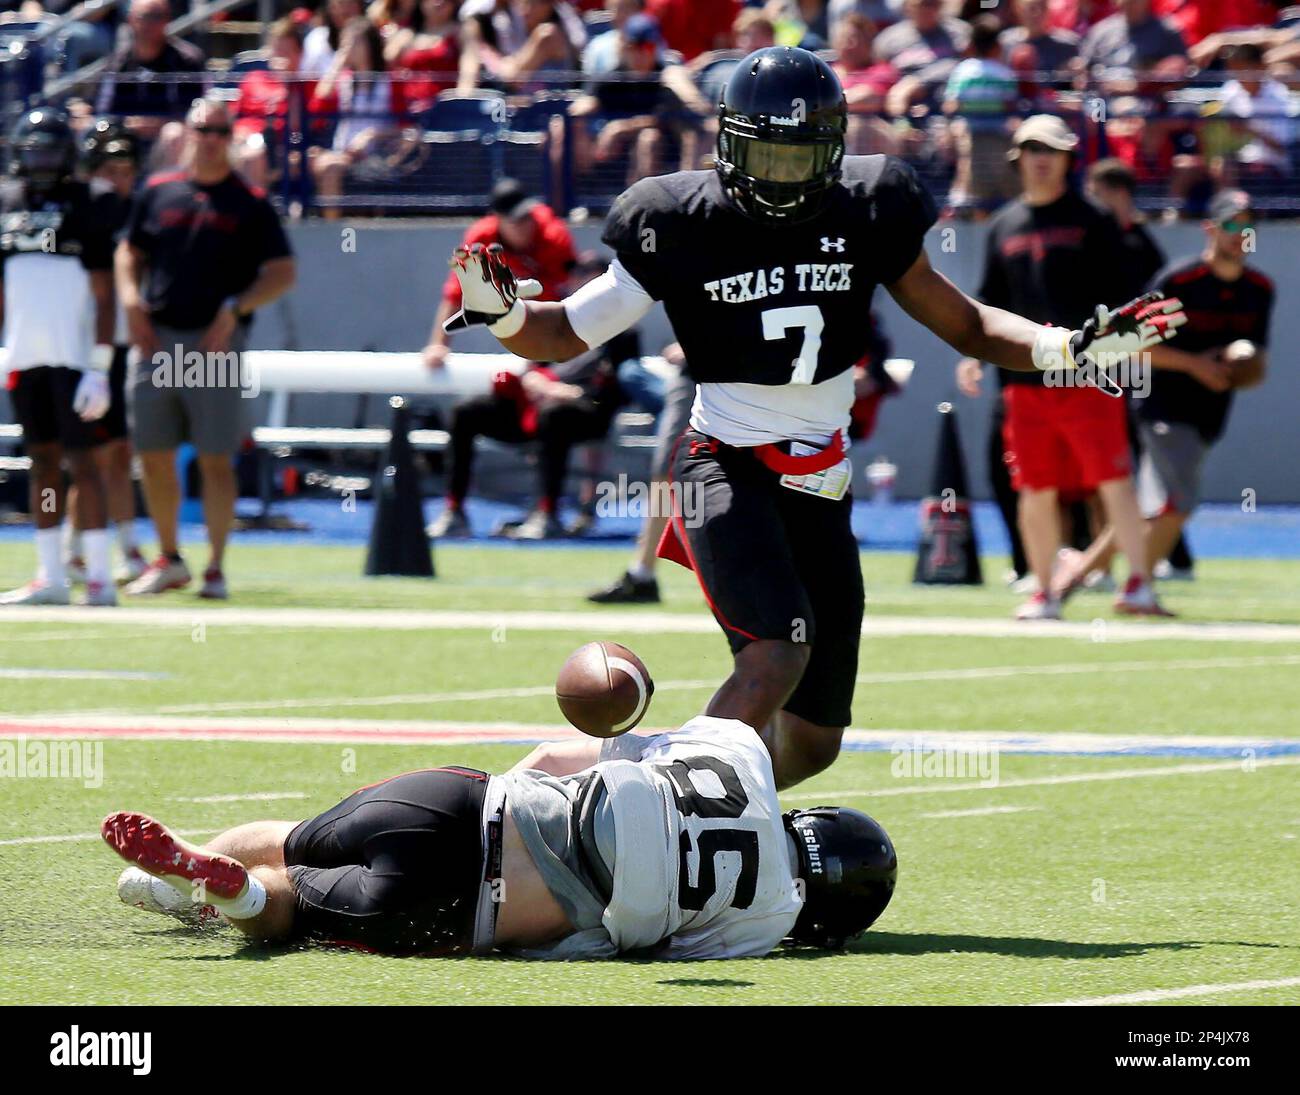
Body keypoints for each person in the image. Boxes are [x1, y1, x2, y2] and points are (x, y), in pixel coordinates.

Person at [438, 49, 1184, 787]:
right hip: (721, 461)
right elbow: (565, 329)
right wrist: (505, 315)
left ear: (833, 153)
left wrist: (1071, 346)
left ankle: (642, 789)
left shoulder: (872, 205)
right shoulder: (676, 218)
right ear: (729, 145)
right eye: (767, 157)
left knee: (817, 737)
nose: (781, 177)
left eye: (800, 159)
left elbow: (971, 326)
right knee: (775, 654)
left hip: (820, 477)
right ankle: (660, 815)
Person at [105, 711, 898, 958]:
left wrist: (509, 803)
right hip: (470, 904)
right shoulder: (758, 925)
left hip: (458, 802)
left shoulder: (742, 752)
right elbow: (637, 947)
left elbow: (562, 749)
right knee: (292, 908)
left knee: (296, 835)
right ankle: (227, 890)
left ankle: (180, 874)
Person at [955, 114, 1173, 621]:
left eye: (1050, 149)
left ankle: (1139, 585)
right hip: (1024, 382)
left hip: (1088, 379)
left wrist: (1124, 347)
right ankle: (1045, 591)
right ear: (1018, 159)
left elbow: (1126, 297)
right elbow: (991, 302)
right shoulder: (1004, 224)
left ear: (1068, 159)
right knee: (1035, 487)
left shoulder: (1093, 219)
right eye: (1032, 149)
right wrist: (971, 353)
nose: (1041, 158)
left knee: (1112, 480)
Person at [115, 98, 296, 601]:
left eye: (220, 130)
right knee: (152, 454)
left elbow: (282, 272)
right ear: (189, 133)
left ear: (231, 136)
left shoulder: (249, 202)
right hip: (156, 340)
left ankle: (216, 566)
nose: (211, 138)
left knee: (216, 457)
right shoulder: (157, 191)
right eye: (203, 129)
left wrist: (236, 308)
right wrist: (131, 300)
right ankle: (169, 557)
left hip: (212, 346)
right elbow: (129, 251)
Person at [427, 253, 641, 540]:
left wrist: (565, 393)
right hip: (538, 405)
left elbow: (617, 388)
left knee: (553, 416)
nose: (577, 278)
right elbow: (533, 364)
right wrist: (534, 381)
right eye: (575, 272)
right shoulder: (558, 315)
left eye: (586, 272)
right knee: (466, 411)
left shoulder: (623, 331)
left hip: (583, 411)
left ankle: (547, 514)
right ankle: (454, 511)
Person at [0, 109, 116, 607]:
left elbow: (105, 291)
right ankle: (50, 574)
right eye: (34, 150)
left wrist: (100, 365)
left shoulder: (89, 202)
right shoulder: (5, 200)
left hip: (73, 358)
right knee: (43, 465)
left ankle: (100, 577)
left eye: (50, 150)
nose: (41, 160)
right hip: (25, 356)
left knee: (84, 465)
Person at [1135, 191, 1271, 574]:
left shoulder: (1259, 289)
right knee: (1179, 502)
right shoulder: (1180, 281)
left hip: (1210, 412)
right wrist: (1194, 364)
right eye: (1231, 224)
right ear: (1209, 229)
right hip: (1163, 405)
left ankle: (1076, 576)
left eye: (1247, 225)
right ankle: (1137, 585)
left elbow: (1258, 359)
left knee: (1154, 508)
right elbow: (1132, 346)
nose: (1240, 233)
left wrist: (1243, 369)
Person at [64, 120, 150, 588]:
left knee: (112, 453)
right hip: (84, 347)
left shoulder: (135, 212)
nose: (119, 179)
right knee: (92, 454)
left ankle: (87, 550)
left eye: (126, 169)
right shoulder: (78, 212)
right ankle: (104, 550)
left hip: (117, 345)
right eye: (110, 168)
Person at [422, 177, 576, 372]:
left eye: (526, 217)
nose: (525, 225)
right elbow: (457, 292)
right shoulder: (481, 240)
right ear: (498, 219)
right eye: (516, 221)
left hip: (554, 325)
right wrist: (439, 344)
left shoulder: (553, 235)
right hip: (508, 325)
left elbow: (569, 293)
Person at [588, 340, 695, 603]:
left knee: (669, 470)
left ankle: (643, 573)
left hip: (713, 379)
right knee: (670, 472)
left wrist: (698, 345)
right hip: (729, 380)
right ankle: (643, 572)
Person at [94, 0, 207, 146]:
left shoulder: (188, 61)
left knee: (173, 134)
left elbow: (200, 112)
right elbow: (103, 111)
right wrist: (128, 124)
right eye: (144, 16)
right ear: (130, 20)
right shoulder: (117, 64)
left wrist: (162, 124)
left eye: (157, 17)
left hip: (172, 142)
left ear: (168, 20)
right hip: (124, 140)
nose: (149, 23)